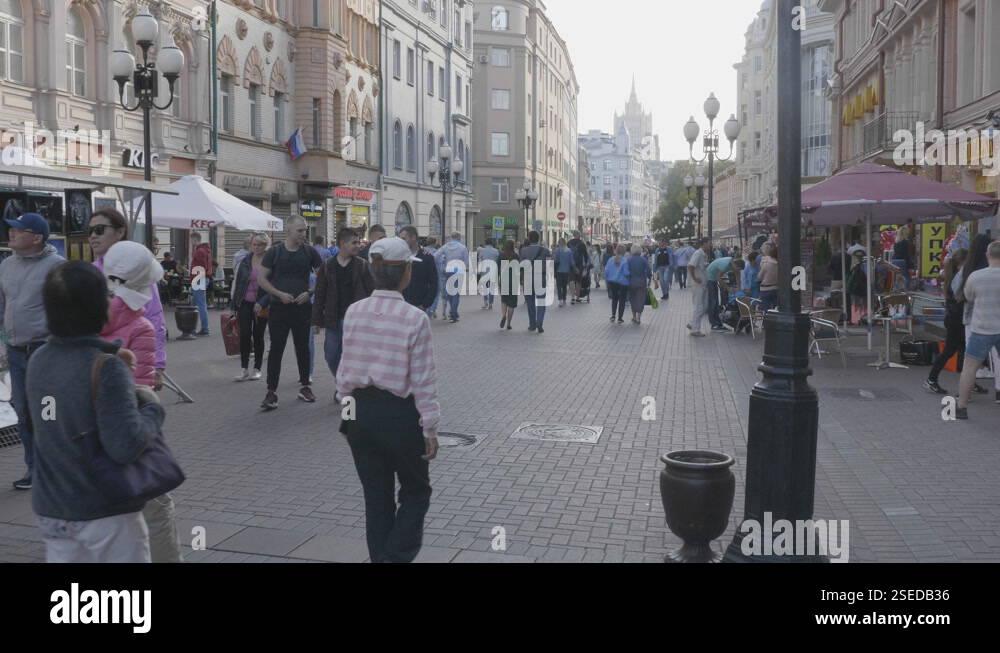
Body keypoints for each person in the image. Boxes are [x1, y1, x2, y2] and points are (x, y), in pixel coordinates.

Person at [29, 261, 166, 562]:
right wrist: (152, 410)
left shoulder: (39, 360)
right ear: (96, 305)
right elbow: (125, 445)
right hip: (102, 510)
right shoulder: (107, 368)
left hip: (52, 507)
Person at [336, 237, 440, 563]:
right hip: (400, 415)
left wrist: (347, 413)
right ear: (406, 272)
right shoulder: (414, 318)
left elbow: (345, 367)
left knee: (376, 497)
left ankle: (382, 557)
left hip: (359, 412)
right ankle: (393, 558)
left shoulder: (354, 312)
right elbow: (422, 379)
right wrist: (430, 427)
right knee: (416, 490)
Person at [100, 241, 182, 564]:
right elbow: (140, 393)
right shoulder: (140, 326)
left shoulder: (86, 316)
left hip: (87, 436)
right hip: (128, 435)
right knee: (157, 511)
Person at [0, 213, 66, 490]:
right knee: (23, 411)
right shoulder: (6, 265)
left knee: (49, 413)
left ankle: (58, 469)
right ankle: (34, 469)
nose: (11, 233)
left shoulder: (57, 267)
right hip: (16, 351)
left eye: (18, 230)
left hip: (45, 350)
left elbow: (66, 310)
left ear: (36, 237)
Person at [89, 208, 167, 390]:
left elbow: (154, 316)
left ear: (120, 231)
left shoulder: (138, 268)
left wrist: (158, 365)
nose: (93, 236)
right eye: (90, 231)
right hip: (95, 361)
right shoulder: (90, 271)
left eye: (99, 229)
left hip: (134, 358)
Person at [257, 217, 323, 410]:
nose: (304, 234)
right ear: (289, 231)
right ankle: (271, 392)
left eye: (305, 231)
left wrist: (309, 292)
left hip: (302, 308)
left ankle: (305, 386)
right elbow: (261, 279)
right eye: (300, 231)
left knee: (303, 348)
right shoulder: (275, 252)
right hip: (279, 308)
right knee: (276, 349)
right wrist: (278, 294)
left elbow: (324, 277)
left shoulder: (309, 252)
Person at [309, 228, 374, 384]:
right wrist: (315, 321)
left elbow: (372, 292)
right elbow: (320, 294)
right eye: (355, 242)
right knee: (331, 355)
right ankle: (341, 381)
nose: (359, 245)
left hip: (356, 320)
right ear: (343, 244)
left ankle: (347, 386)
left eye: (359, 242)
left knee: (354, 356)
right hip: (333, 319)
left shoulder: (362, 265)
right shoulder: (327, 265)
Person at [956, 240, 1000, 420]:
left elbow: (968, 296)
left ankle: (961, 407)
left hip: (981, 328)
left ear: (987, 255)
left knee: (970, 368)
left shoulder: (976, 276)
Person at [925, 249, 970, 395]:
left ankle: (970, 382)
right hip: (956, 318)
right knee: (950, 350)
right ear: (963, 262)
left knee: (962, 350)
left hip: (954, 317)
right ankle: (931, 379)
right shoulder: (959, 277)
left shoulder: (954, 276)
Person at [232, 234, 271, 381]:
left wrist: (262, 302)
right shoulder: (246, 260)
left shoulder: (269, 262)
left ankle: (257, 368)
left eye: (260, 245)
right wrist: (234, 304)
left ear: (265, 246)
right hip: (245, 302)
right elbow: (239, 283)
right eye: (254, 244)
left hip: (262, 304)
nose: (256, 247)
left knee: (258, 335)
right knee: (245, 334)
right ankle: (244, 368)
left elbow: (272, 285)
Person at [519, 231, 552, 334]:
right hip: (540, 276)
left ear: (529, 238)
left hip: (528, 277)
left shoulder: (524, 251)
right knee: (541, 301)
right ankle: (540, 322)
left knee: (530, 302)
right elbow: (550, 264)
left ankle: (532, 324)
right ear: (538, 238)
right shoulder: (545, 250)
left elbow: (521, 265)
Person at [706, 254, 746, 332]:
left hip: (714, 278)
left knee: (716, 302)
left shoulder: (734, 264)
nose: (738, 271)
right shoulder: (726, 264)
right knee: (713, 302)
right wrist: (728, 288)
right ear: (735, 265)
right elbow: (718, 277)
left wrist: (739, 289)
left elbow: (738, 277)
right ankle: (714, 325)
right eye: (738, 269)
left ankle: (718, 323)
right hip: (710, 278)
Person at [435, 232, 469, 323]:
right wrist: (466, 268)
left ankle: (454, 312)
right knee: (456, 293)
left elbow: (436, 256)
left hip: (448, 270)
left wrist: (441, 264)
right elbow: (466, 260)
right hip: (459, 271)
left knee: (450, 292)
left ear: (451, 237)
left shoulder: (445, 246)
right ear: (459, 238)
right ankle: (453, 313)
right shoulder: (462, 247)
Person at [189, 231, 213, 336]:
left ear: (194, 239)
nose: (191, 242)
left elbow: (201, 266)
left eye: (191, 240)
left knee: (200, 305)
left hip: (199, 278)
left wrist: (194, 277)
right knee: (194, 304)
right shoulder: (204, 250)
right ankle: (192, 327)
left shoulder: (200, 251)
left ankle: (204, 328)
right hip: (202, 278)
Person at [687, 238, 712, 337]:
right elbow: (690, 266)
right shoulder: (698, 253)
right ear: (703, 244)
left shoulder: (703, 254)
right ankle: (695, 330)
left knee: (704, 306)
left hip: (702, 284)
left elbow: (699, 266)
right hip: (697, 285)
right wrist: (695, 278)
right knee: (699, 306)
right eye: (709, 244)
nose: (710, 246)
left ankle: (692, 323)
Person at [496, 241, 520, 331]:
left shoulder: (501, 255)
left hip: (503, 280)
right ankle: (509, 324)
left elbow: (497, 268)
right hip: (513, 281)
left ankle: (503, 315)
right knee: (512, 304)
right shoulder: (516, 256)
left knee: (504, 300)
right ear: (513, 246)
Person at [627, 245, 653, 325]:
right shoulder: (643, 259)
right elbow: (648, 270)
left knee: (632, 299)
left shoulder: (628, 260)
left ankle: (634, 316)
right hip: (642, 282)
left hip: (631, 282)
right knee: (641, 299)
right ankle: (639, 317)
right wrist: (649, 278)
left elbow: (625, 271)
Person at [605, 245, 631, 324]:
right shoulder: (625, 261)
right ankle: (620, 318)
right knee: (622, 300)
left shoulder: (610, 260)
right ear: (624, 252)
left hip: (612, 282)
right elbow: (626, 273)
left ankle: (613, 316)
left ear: (616, 250)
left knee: (614, 299)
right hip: (623, 283)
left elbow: (606, 271)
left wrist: (608, 278)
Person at [478, 239, 500, 309]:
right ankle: (491, 303)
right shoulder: (496, 251)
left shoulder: (482, 251)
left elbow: (480, 260)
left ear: (485, 243)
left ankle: (485, 302)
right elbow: (498, 260)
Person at [758, 242, 780, 312]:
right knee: (776, 309)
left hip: (765, 289)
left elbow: (759, 277)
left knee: (766, 310)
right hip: (776, 288)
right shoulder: (779, 262)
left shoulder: (766, 263)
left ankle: (768, 322)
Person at [554, 239, 573, 306]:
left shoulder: (557, 250)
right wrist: (574, 268)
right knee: (564, 286)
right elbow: (571, 262)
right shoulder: (569, 250)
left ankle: (560, 300)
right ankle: (564, 299)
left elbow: (555, 260)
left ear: (559, 243)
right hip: (566, 271)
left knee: (559, 286)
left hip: (558, 271)